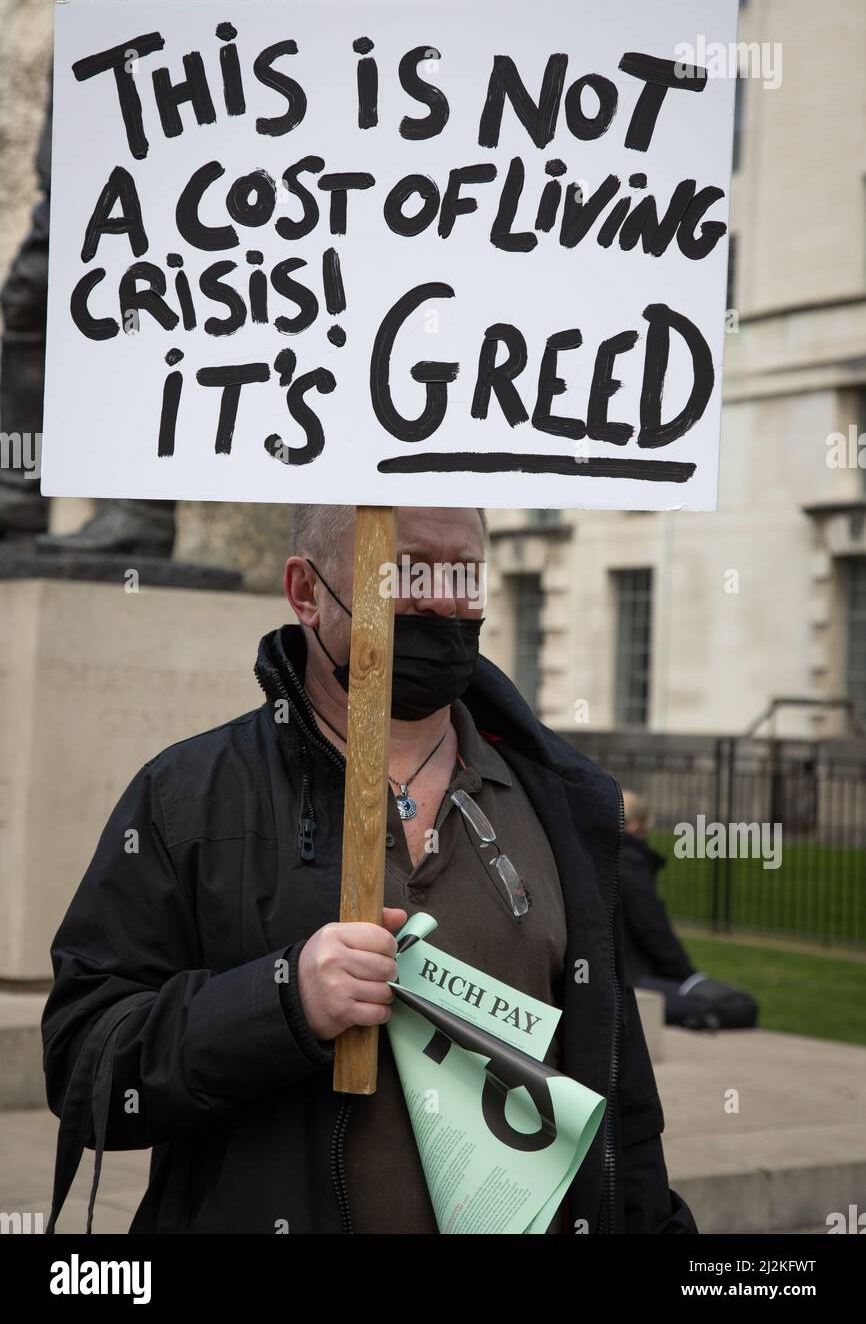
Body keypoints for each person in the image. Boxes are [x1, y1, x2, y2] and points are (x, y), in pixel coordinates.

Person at [42, 505, 697, 1234]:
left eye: (465, 573)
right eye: (408, 568)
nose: (443, 600)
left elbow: (621, 1104)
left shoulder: (563, 804)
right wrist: (281, 1001)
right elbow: (85, 1066)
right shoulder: (188, 797)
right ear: (306, 592)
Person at [0, 0, 281, 555]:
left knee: (149, 307)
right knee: (32, 290)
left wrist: (211, 125)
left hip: (175, 109)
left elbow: (250, 9)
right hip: (88, 94)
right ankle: (17, 491)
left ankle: (139, 507)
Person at [619, 790, 759, 1031]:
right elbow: (654, 932)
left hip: (607, 973)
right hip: (632, 978)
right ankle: (699, 1015)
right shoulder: (628, 861)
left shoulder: (588, 855)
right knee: (742, 1004)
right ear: (632, 826)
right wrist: (690, 979)